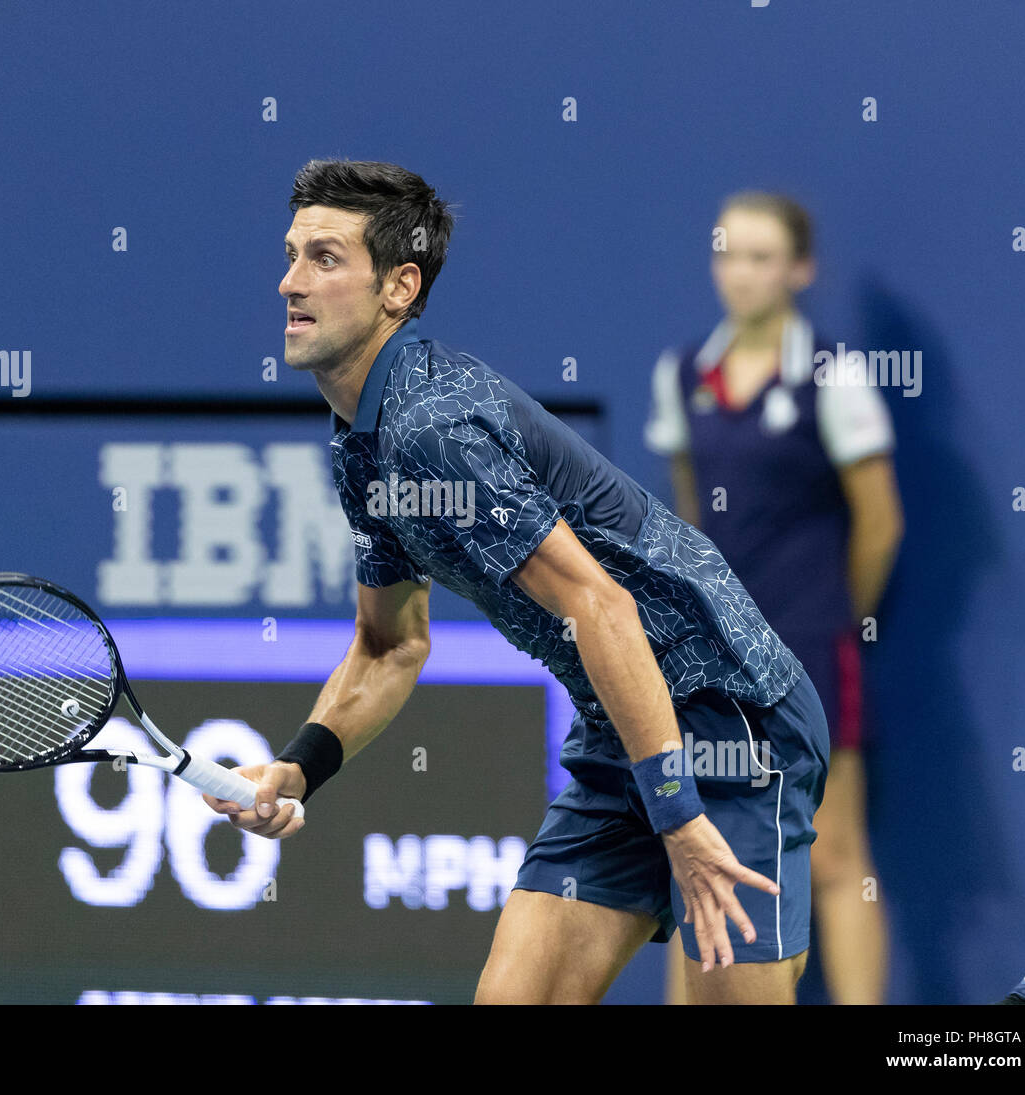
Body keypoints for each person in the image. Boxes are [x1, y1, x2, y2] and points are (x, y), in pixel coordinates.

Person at [204, 159, 829, 1004]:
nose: (289, 282)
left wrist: (679, 816)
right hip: (627, 725)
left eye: (324, 258)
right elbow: (389, 643)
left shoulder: (432, 426)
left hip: (730, 718)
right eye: (290, 255)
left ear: (399, 287)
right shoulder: (361, 441)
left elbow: (599, 603)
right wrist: (298, 766)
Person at [644, 191, 903, 1004]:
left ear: (799, 269)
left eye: (762, 256)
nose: (741, 273)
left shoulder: (835, 375)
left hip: (812, 646)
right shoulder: (681, 375)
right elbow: (688, 521)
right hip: (710, 661)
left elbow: (880, 522)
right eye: (728, 254)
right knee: (700, 848)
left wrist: (832, 619)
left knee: (833, 854)